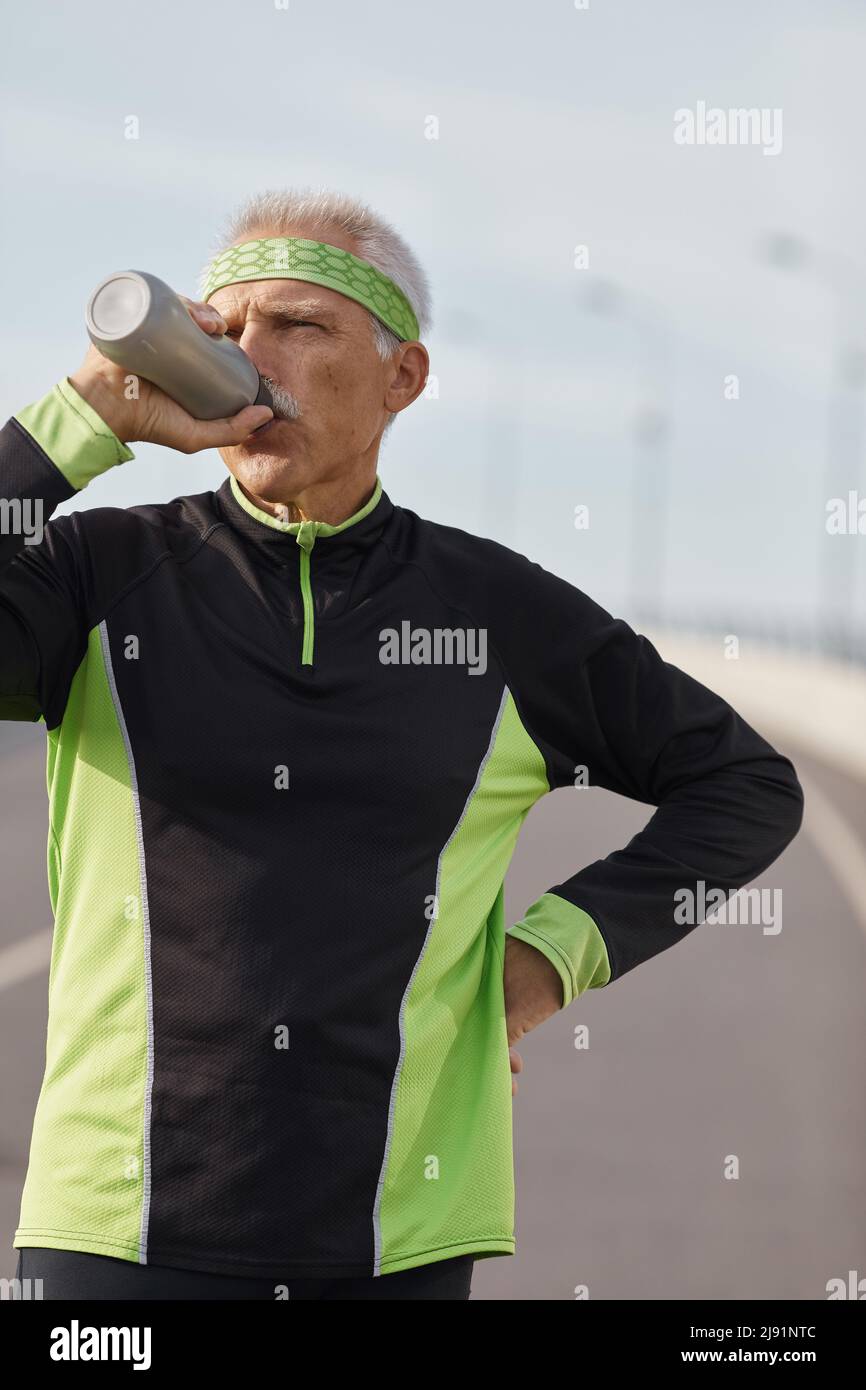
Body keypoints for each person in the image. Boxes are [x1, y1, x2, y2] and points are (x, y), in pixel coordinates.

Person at [2, 188, 803, 1301]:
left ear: (403, 378)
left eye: (299, 325)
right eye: (222, 330)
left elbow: (745, 788)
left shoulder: (499, 615)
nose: (249, 357)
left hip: (392, 1237)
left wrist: (540, 964)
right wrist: (81, 416)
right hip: (111, 1235)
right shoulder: (95, 573)